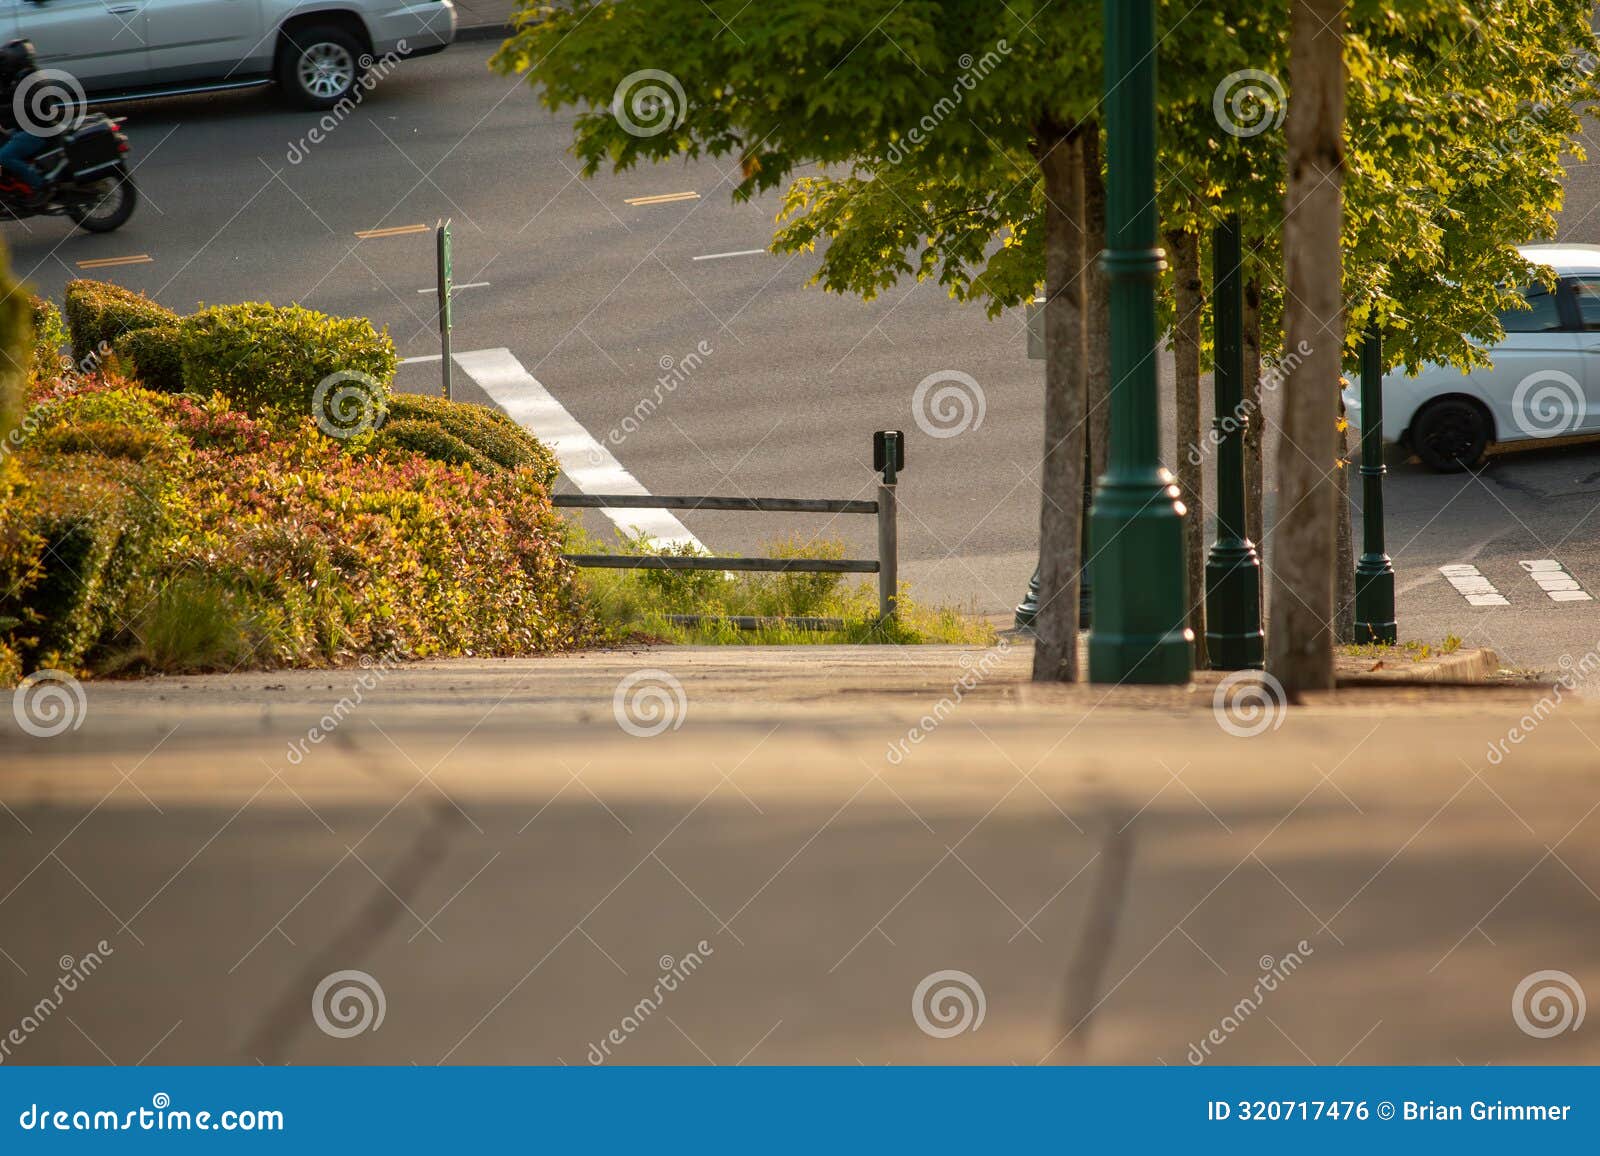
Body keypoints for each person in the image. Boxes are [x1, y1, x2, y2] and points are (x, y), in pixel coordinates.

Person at [0, 40, 50, 206]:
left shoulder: (32, 81)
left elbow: (22, 106)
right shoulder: (26, 77)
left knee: (4, 156)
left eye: (6, 62)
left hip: (37, 132)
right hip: (29, 129)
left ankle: (39, 187)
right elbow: (9, 96)